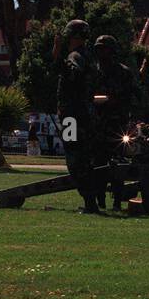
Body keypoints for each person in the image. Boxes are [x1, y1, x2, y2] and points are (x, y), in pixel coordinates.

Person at [55, 18, 101, 214]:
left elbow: (71, 73)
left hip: (72, 116)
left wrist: (56, 54)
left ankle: (90, 203)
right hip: (86, 114)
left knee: (75, 158)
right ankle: (92, 200)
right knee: (85, 157)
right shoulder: (90, 56)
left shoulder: (75, 56)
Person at [91, 34, 137, 211]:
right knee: (98, 164)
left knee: (118, 164)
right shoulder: (93, 72)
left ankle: (117, 200)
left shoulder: (123, 73)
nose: (103, 52)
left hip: (117, 125)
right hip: (97, 125)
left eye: (106, 49)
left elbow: (131, 97)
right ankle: (99, 198)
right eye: (100, 49)